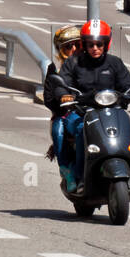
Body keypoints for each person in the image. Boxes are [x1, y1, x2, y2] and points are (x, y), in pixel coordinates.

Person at [56, 19, 130, 193]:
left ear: (106, 44)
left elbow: (127, 84)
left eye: (99, 44)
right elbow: (61, 84)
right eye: (90, 44)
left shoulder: (114, 63)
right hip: (81, 112)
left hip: (111, 112)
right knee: (82, 132)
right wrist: (64, 95)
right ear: (84, 44)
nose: (95, 48)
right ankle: (80, 178)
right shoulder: (73, 63)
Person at [43, 24, 81, 187]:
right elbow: (48, 97)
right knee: (58, 130)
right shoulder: (55, 71)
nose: (73, 49)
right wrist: (62, 99)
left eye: (77, 45)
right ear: (60, 50)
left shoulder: (92, 65)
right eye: (68, 47)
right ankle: (67, 170)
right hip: (66, 114)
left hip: (92, 111)